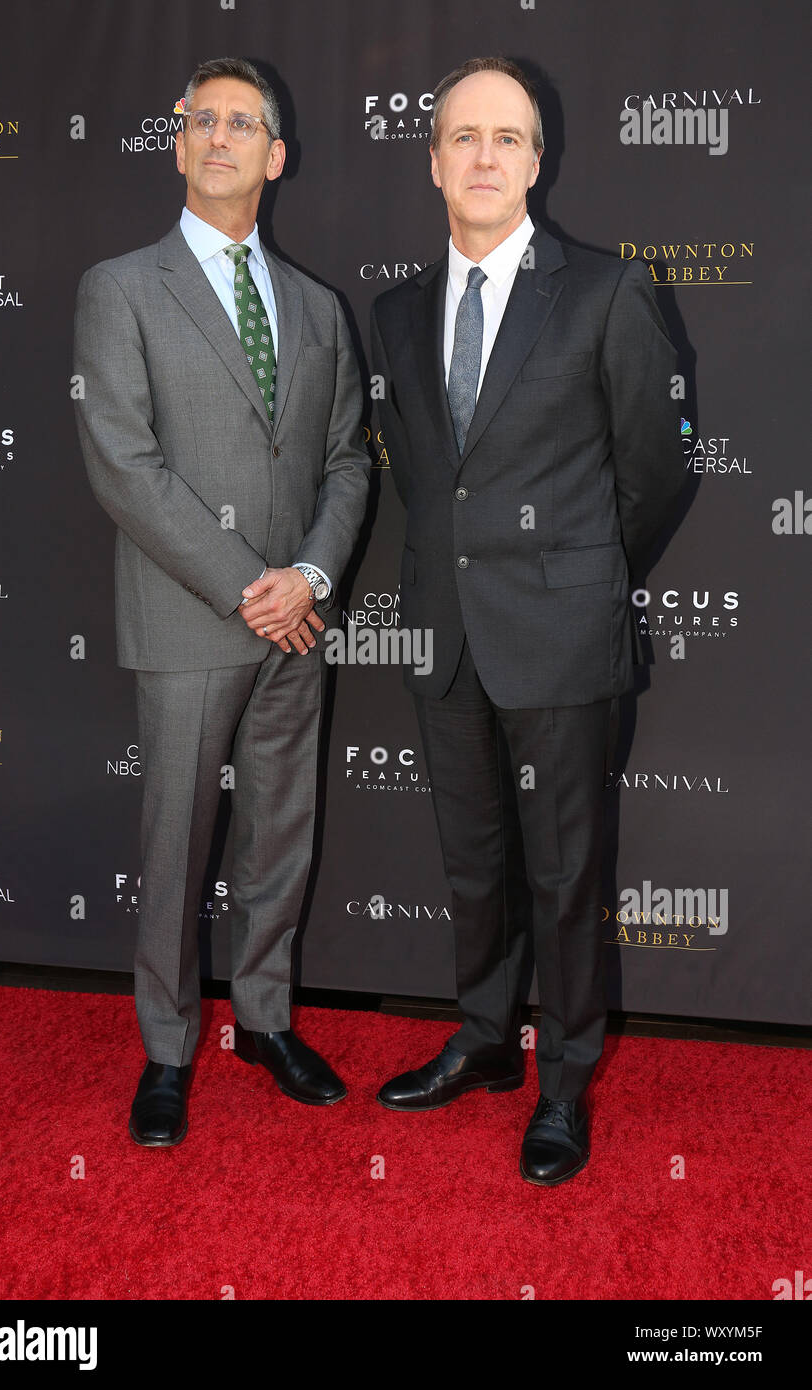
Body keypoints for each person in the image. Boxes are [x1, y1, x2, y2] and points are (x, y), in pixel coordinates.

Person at [370, 56, 685, 1185]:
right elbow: (418, 472)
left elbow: (652, 468)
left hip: (560, 632)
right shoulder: (396, 312)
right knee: (471, 866)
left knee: (562, 875)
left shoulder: (602, 291)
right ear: (433, 160)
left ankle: (560, 1083)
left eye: (507, 138)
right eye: (463, 136)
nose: (484, 156)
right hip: (443, 633)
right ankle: (483, 1041)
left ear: (537, 161)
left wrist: (580, 573)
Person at [73, 57, 370, 1147]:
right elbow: (123, 462)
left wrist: (312, 580)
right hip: (194, 612)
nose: (218, 137)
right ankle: (164, 1047)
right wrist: (253, 587)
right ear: (179, 142)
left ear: (274, 155)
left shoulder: (319, 308)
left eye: (241, 123)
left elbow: (347, 464)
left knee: (279, 835)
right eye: (200, 120)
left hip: (300, 615)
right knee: (174, 841)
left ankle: (266, 1019)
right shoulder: (120, 286)